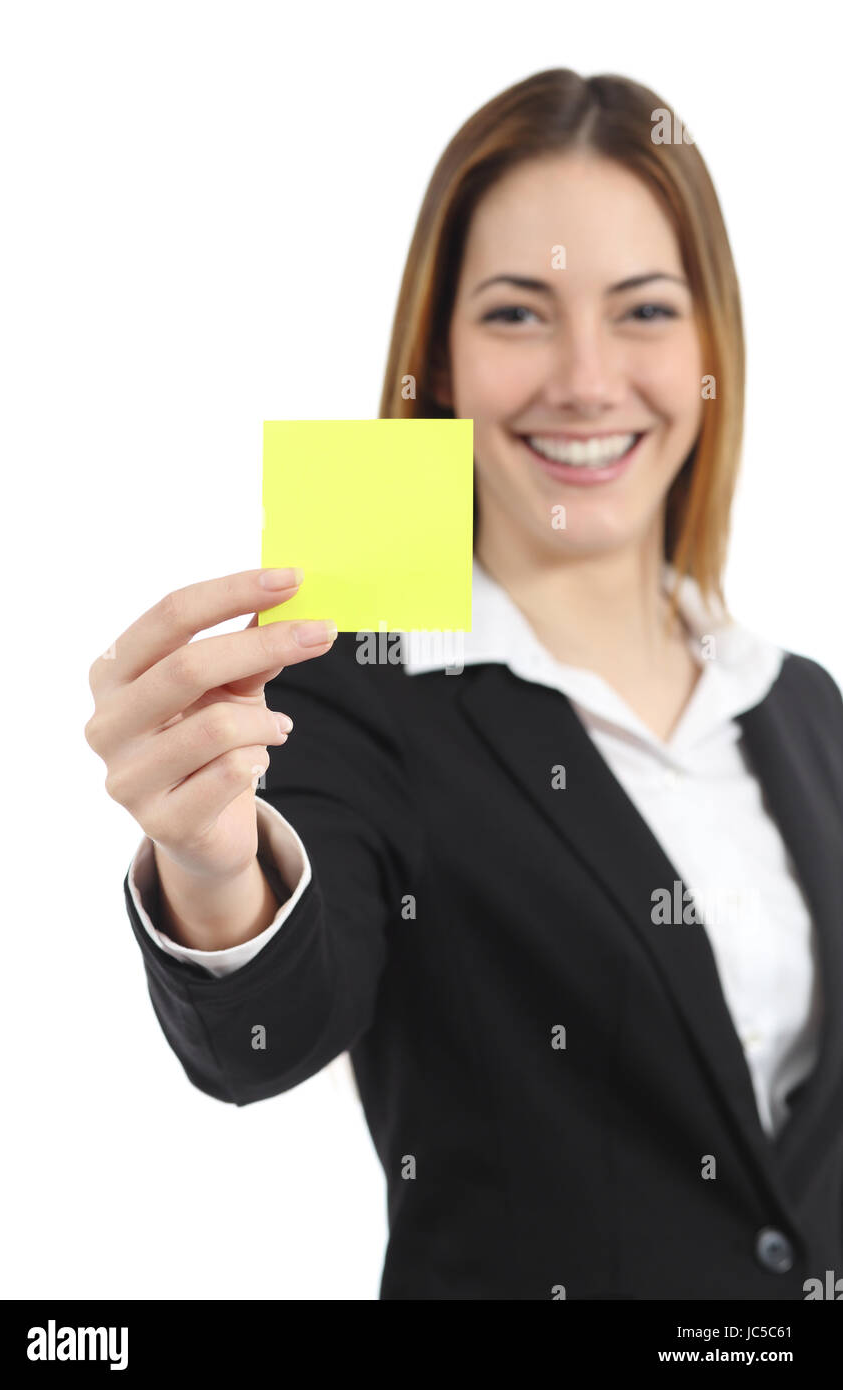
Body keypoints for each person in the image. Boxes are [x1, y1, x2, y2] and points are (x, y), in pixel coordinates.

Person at [84, 68, 843, 1300]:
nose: (586, 379)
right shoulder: (358, 685)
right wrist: (217, 866)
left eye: (643, 310)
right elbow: (267, 1034)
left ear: (711, 343)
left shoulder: (800, 705)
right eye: (515, 314)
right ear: (435, 361)